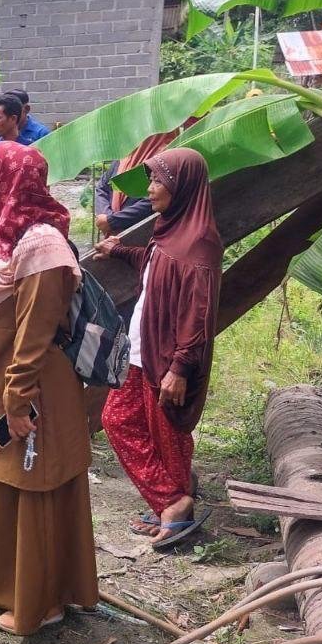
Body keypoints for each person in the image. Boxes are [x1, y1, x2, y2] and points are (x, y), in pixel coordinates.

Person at [0, 141, 98, 636]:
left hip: (28, 390)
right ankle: (11, 586)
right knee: (3, 482)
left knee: (31, 485)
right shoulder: (3, 232)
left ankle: (39, 603)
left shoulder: (41, 246)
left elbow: (35, 334)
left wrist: (16, 402)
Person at [94, 148, 220, 550]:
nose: (149, 190)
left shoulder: (200, 243)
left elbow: (198, 316)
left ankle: (172, 506)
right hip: (142, 349)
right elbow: (155, 263)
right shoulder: (170, 228)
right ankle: (170, 500)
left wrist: (180, 367)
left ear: (180, 186)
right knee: (119, 419)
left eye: (157, 182)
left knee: (169, 435)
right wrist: (120, 251)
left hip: (168, 359)